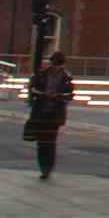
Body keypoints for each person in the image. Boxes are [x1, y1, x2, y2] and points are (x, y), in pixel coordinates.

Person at [23, 51, 75, 179]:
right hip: (41, 112)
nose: (56, 67)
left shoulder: (66, 77)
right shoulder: (41, 74)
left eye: (59, 65)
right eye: (54, 64)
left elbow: (69, 95)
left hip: (55, 113)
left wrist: (57, 96)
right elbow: (32, 88)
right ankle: (43, 167)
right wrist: (43, 94)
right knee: (41, 141)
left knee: (50, 141)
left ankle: (47, 168)